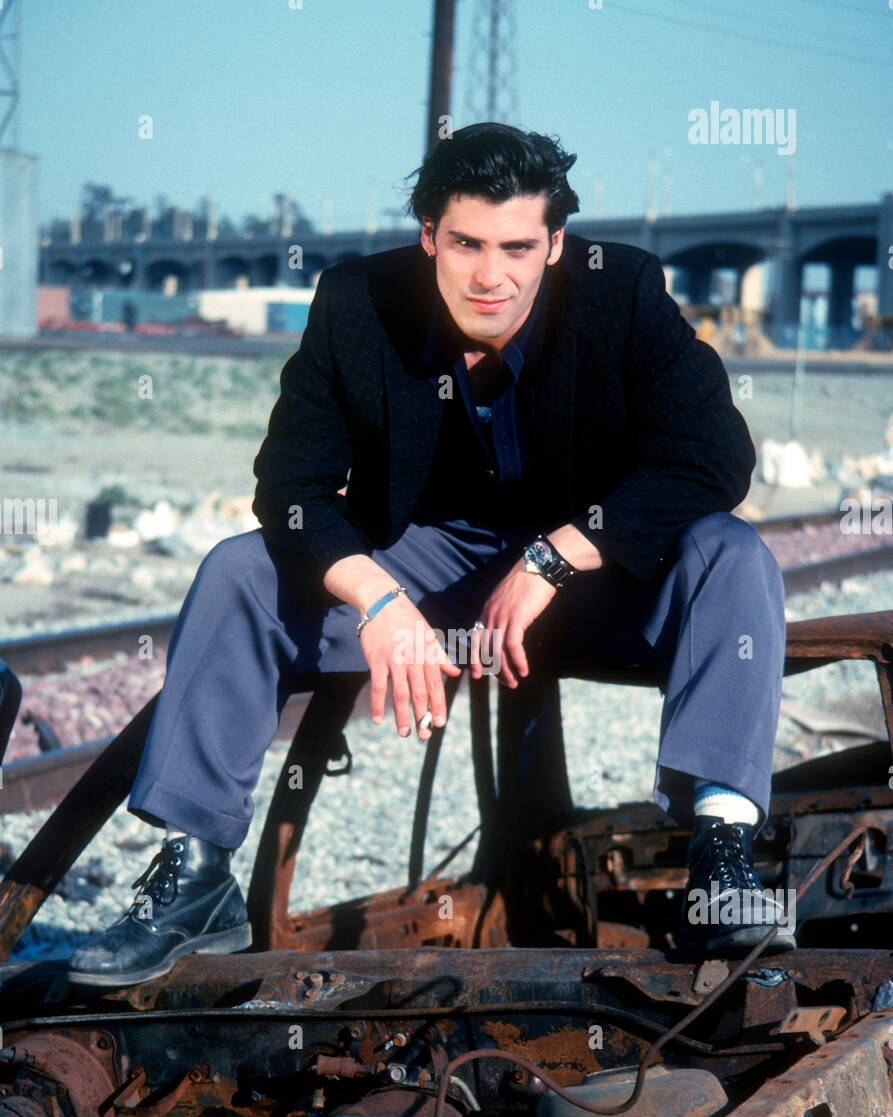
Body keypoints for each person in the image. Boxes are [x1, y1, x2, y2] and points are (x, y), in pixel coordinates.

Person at [67, 123, 790, 987]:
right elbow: (289, 486)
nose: (491, 276)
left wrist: (561, 553)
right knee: (239, 570)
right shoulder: (355, 302)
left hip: (592, 589)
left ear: (554, 244)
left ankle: (719, 854)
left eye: (518, 247)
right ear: (428, 237)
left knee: (731, 554)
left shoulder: (621, 291)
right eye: (466, 245)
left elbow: (714, 457)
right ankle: (194, 877)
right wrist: (375, 596)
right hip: (422, 578)